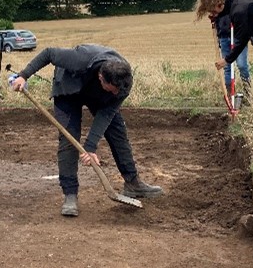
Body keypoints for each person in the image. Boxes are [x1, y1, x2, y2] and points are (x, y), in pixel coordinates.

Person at [9, 45, 163, 217]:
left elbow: (106, 114)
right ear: (101, 77)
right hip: (69, 89)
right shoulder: (80, 59)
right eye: (112, 89)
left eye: (118, 91)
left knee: (117, 131)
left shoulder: (123, 82)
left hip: (98, 96)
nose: (116, 94)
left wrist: (90, 148)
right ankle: (70, 194)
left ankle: (133, 183)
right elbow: (49, 53)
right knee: (69, 139)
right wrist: (23, 76)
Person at [214, 0, 251, 94]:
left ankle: (249, 91)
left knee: (241, 65)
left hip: (239, 36)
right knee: (227, 66)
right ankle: (230, 94)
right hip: (224, 35)